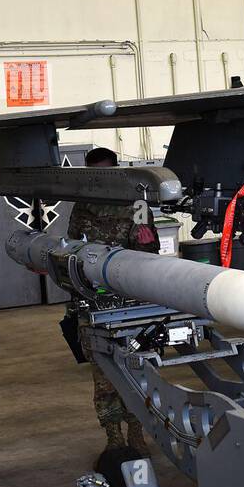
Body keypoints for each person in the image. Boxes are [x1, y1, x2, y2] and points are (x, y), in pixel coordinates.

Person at [68, 147, 161, 456]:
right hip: (94, 302)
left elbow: (148, 252)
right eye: (95, 173)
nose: (100, 178)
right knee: (104, 374)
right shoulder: (82, 205)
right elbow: (72, 248)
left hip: (131, 304)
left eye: (105, 171)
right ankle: (113, 437)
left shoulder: (135, 204)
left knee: (136, 368)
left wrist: (145, 244)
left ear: (116, 170)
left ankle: (137, 432)